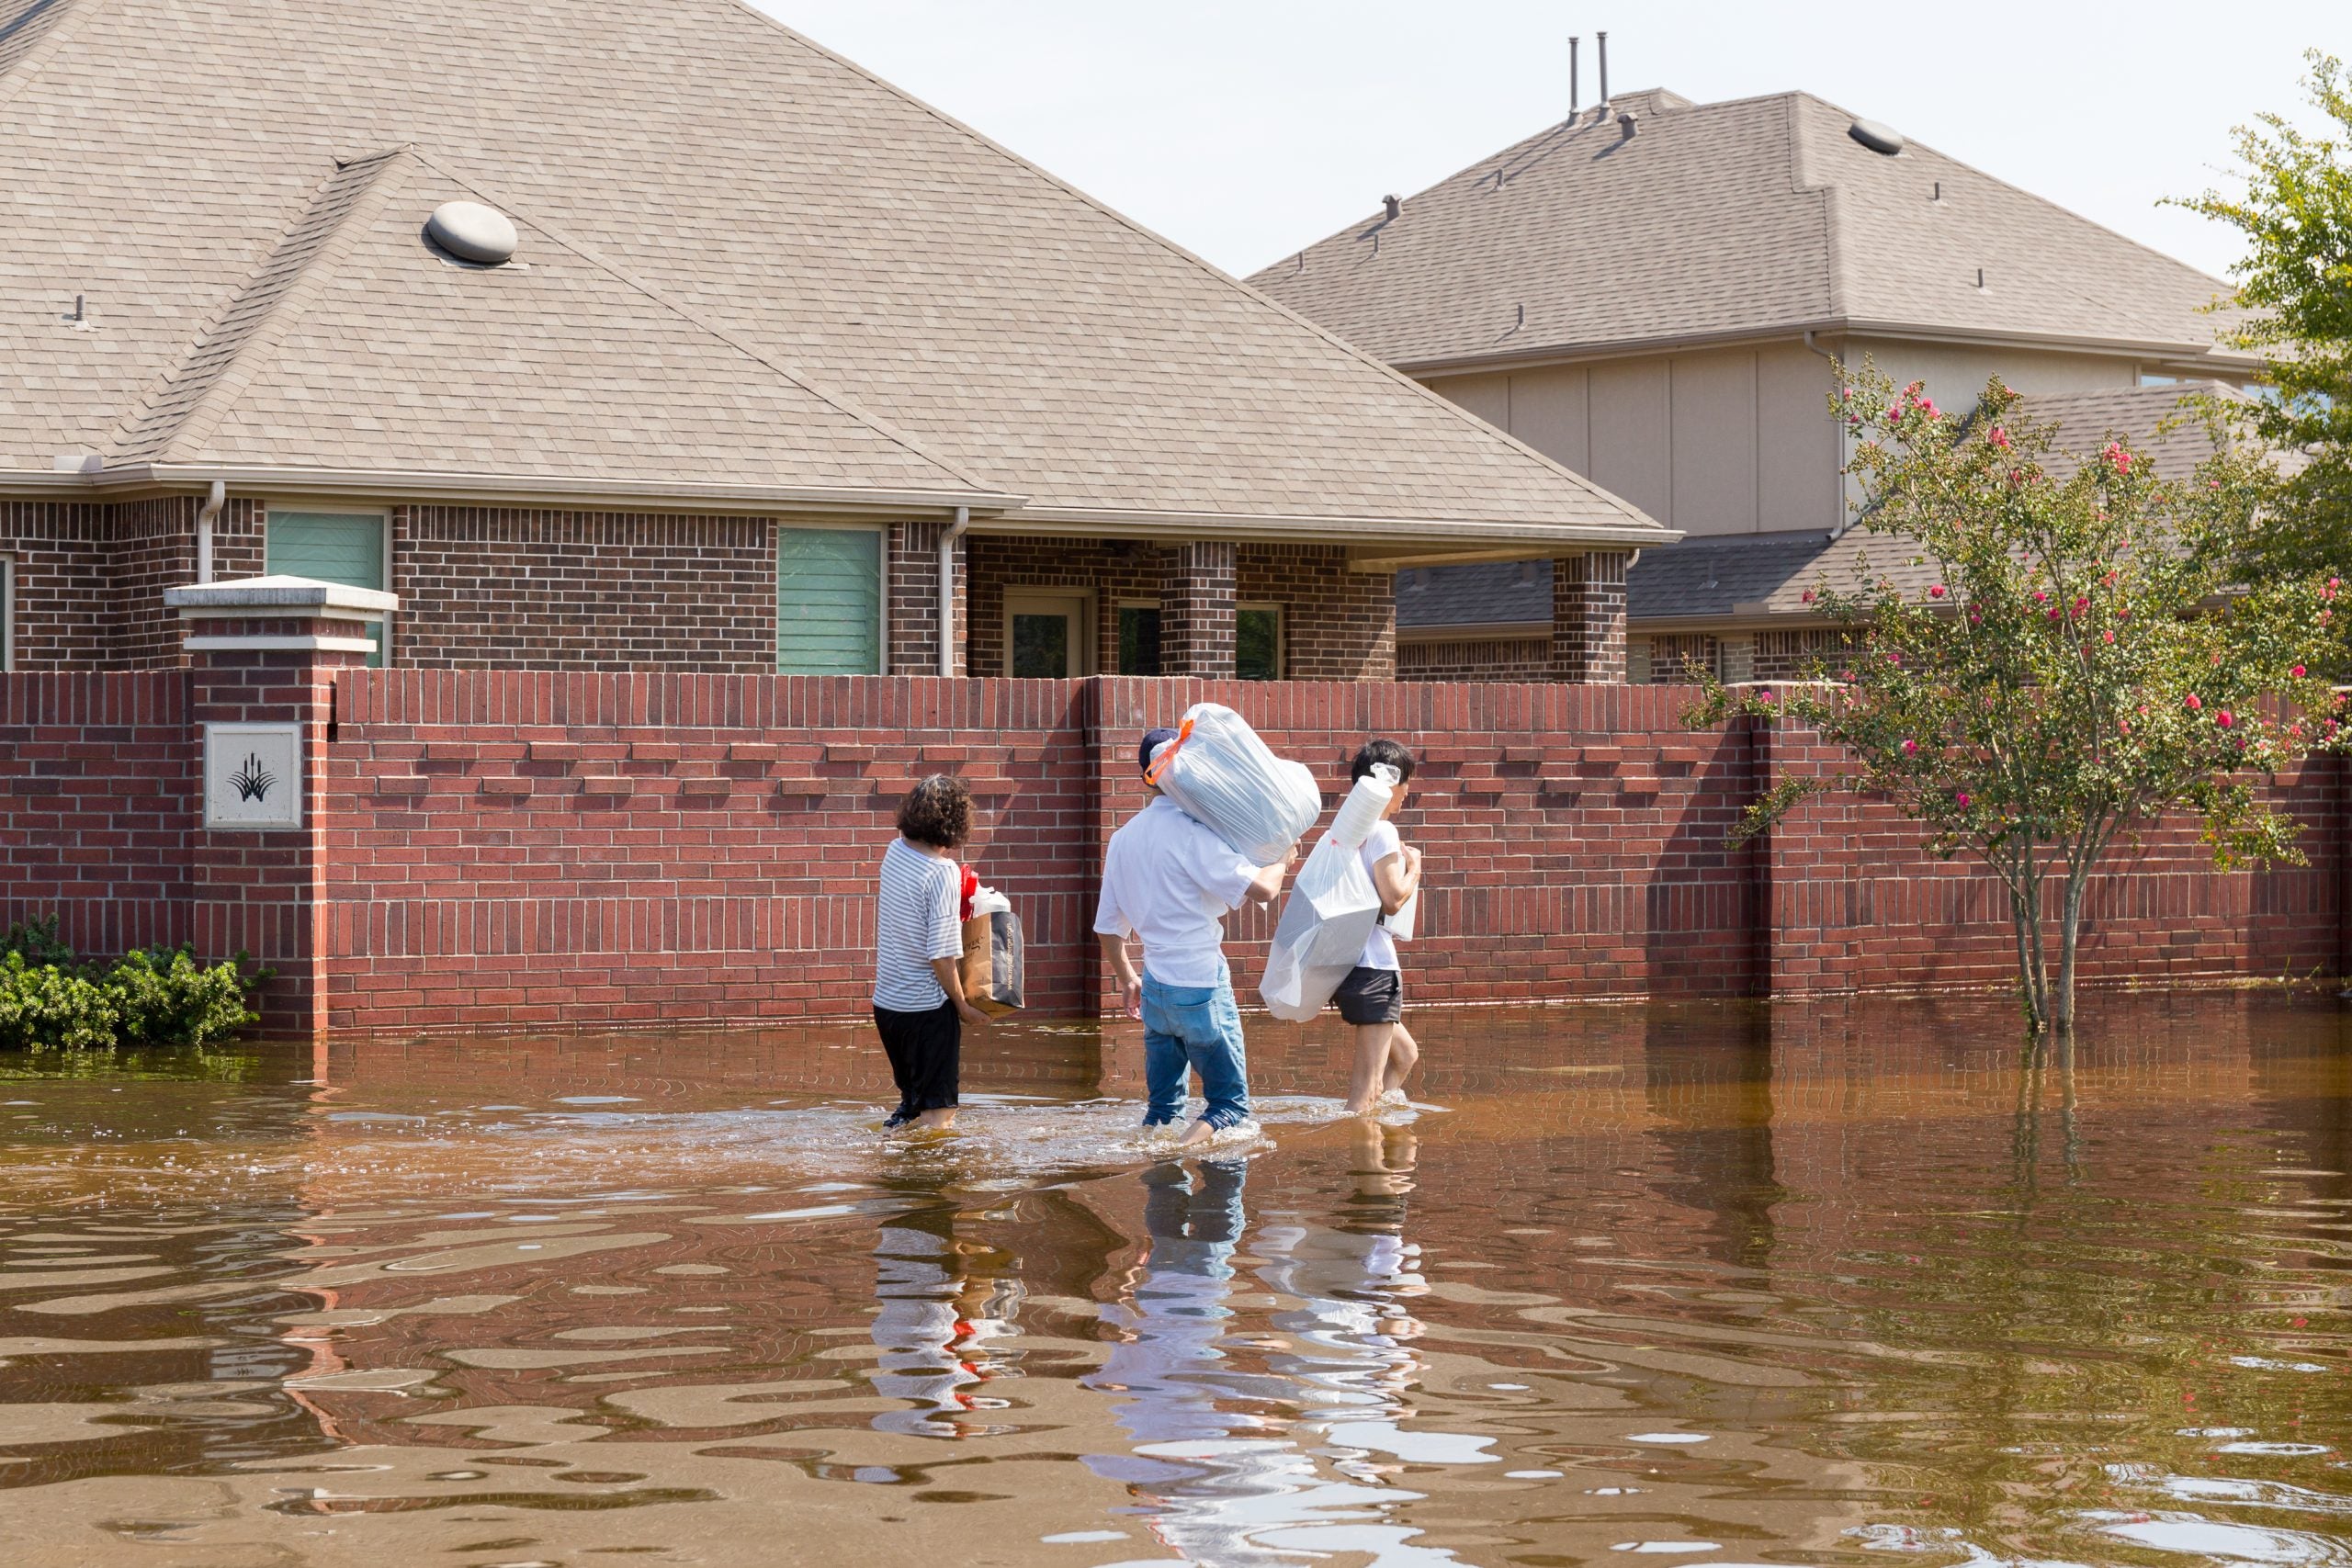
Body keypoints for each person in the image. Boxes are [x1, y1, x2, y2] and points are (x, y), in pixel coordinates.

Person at [1096, 728, 1294, 1146]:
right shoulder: (1191, 833)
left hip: (1155, 987)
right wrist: (1283, 858)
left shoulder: (1122, 838)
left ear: (1146, 778)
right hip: (1201, 982)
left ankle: (1157, 1170)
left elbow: (1108, 928)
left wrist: (1128, 978)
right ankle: (1172, 1157)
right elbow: (1263, 889)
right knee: (1229, 1108)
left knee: (1162, 1111)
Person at [871, 773, 991, 1132]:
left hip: (888, 1006)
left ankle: (888, 1160)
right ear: (956, 821)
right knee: (938, 1117)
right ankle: (922, 1172)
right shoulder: (942, 872)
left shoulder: (895, 851)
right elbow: (940, 954)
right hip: (926, 1010)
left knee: (911, 1106)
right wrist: (963, 1006)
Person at [1334, 739, 1424, 1116]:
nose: (1408, 792)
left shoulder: (1347, 829)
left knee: (1406, 1054)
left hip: (1350, 964)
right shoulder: (1383, 831)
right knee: (1365, 1092)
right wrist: (1415, 868)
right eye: (1406, 783)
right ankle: (1365, 1149)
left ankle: (1382, 1135)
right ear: (1391, 783)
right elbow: (1392, 900)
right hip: (1374, 968)